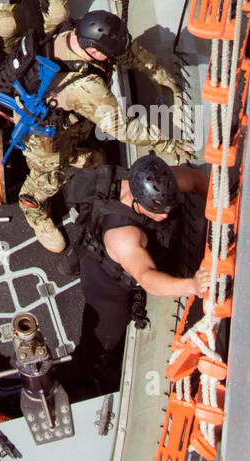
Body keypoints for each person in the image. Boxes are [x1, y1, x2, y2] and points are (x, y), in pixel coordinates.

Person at [0, 9, 190, 252]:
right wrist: (166, 144)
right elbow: (124, 129)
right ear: (95, 52)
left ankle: (75, 156)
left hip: (68, 121)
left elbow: (124, 53)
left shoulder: (75, 34)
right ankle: (34, 211)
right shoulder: (86, 87)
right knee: (47, 179)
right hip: (44, 139)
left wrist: (154, 71)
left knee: (94, 158)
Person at [62, 154, 209, 387]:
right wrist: (193, 285)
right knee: (103, 339)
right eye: (157, 210)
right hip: (107, 281)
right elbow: (147, 278)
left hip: (135, 246)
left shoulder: (160, 181)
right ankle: (85, 377)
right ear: (136, 201)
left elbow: (197, 181)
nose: (164, 215)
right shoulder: (124, 236)